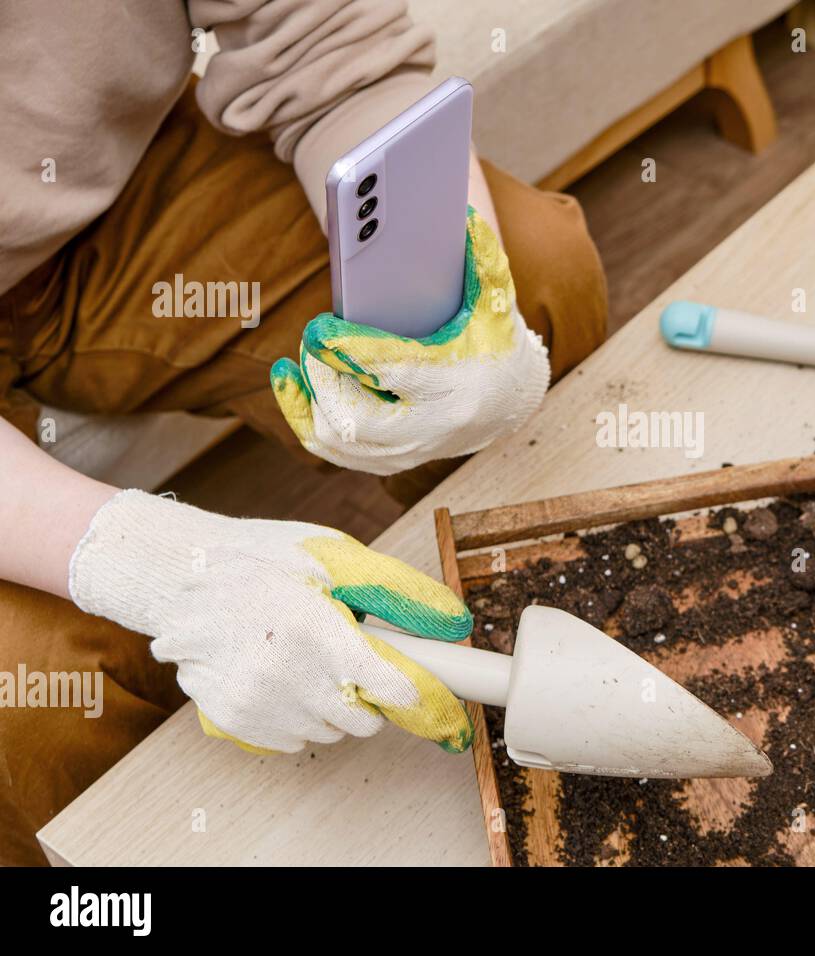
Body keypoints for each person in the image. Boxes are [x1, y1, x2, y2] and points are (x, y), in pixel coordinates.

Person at [0, 0, 608, 866]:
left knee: (535, 270)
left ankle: (527, 636)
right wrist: (150, 563)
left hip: (120, 190)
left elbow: (326, 38)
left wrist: (465, 328)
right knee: (33, 703)